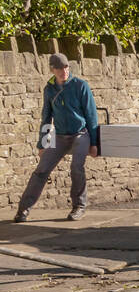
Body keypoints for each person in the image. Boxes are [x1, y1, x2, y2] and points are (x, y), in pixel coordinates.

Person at [15, 53, 101, 222]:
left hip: (80, 134)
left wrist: (94, 143)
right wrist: (43, 143)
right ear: (52, 69)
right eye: (60, 68)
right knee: (41, 170)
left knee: (77, 167)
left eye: (66, 67)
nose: (64, 71)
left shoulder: (80, 86)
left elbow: (92, 116)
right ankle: (23, 210)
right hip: (59, 136)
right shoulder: (49, 89)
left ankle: (79, 207)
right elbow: (46, 117)